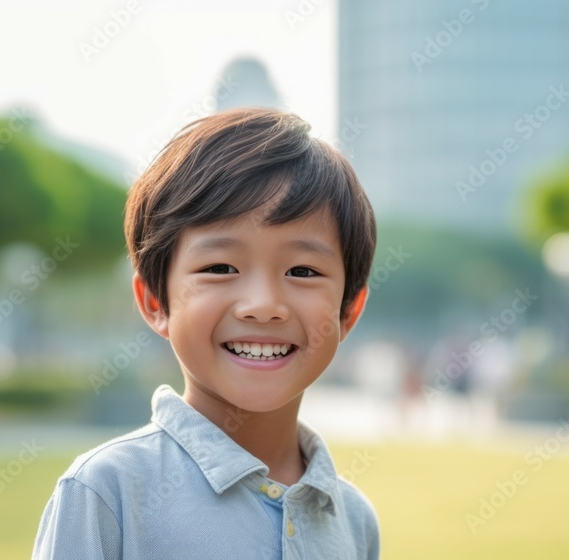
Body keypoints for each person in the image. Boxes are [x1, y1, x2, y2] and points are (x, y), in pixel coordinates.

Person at [31, 107, 380, 559]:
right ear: (155, 302)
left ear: (348, 311)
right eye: (219, 267)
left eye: (302, 271)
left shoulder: (355, 520)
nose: (263, 305)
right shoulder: (107, 493)